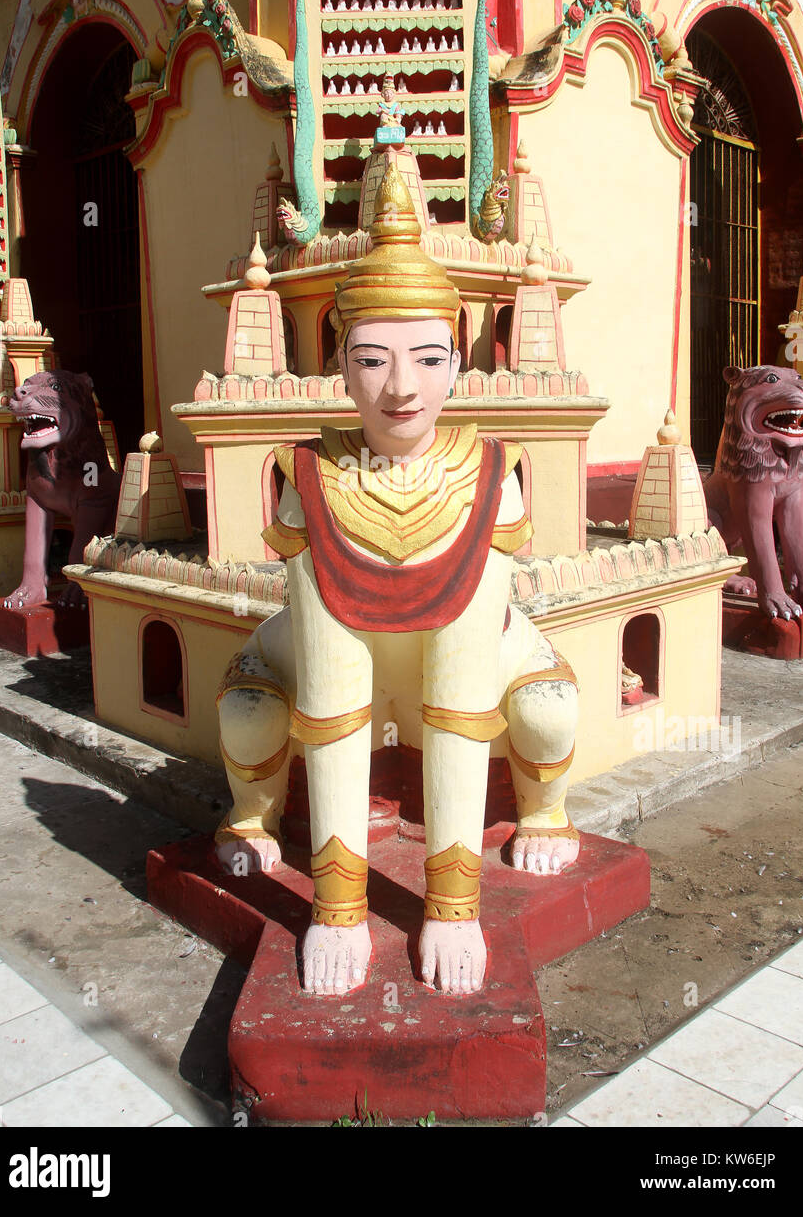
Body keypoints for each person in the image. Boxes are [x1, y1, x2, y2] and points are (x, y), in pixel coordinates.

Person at [216, 159, 579, 996]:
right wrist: (334, 912)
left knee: (546, 709)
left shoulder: (493, 477)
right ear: (340, 365)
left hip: (459, 688)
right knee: (249, 711)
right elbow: (333, 705)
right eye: (373, 359)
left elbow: (460, 703)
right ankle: (261, 825)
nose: (402, 387)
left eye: (426, 357)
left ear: (459, 360)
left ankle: (530, 822)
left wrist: (454, 909)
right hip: (335, 688)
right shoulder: (308, 478)